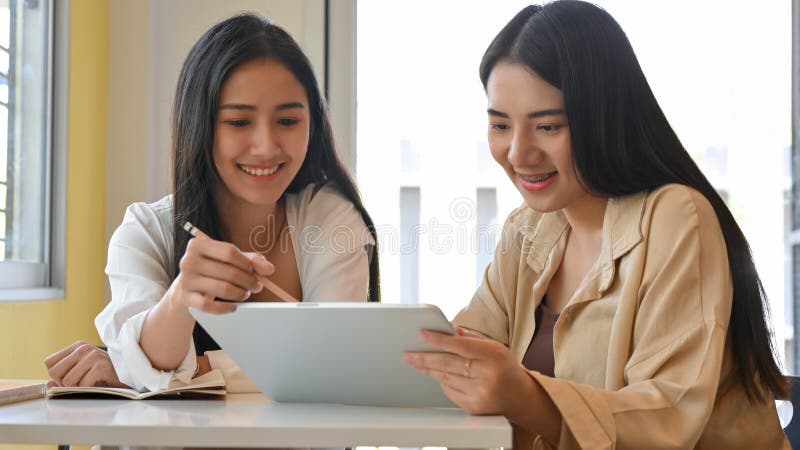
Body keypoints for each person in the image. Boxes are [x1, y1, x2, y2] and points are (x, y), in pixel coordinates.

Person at [403, 1, 789, 449]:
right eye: (501, 125)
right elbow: (468, 357)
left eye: (547, 127)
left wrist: (526, 396)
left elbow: (670, 413)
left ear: (603, 118)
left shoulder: (676, 217)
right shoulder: (527, 229)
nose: (517, 153)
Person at [45, 13, 380, 393]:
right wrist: (180, 299)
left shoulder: (331, 217)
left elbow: (332, 361)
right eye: (238, 122)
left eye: (288, 121)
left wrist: (187, 368)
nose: (267, 146)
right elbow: (145, 366)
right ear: (198, 124)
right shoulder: (144, 231)